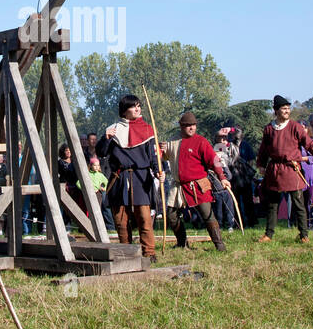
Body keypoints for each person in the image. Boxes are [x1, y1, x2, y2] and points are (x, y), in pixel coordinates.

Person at [96, 95, 161, 259]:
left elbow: (153, 155)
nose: (137, 109)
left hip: (141, 177)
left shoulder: (147, 129)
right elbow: (101, 152)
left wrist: (158, 170)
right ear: (125, 111)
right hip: (120, 177)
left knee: (144, 218)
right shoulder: (114, 129)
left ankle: (149, 253)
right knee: (121, 220)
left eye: (139, 105)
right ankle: (127, 253)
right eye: (133, 106)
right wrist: (106, 138)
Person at [257, 95, 313, 243]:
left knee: (298, 203)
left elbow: (308, 143)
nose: (287, 111)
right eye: (283, 109)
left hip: (292, 169)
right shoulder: (269, 129)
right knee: (273, 204)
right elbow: (263, 149)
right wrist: (261, 165)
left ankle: (303, 235)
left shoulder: (295, 126)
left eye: (288, 109)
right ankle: (268, 235)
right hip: (275, 169)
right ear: (276, 110)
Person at [160, 111, 230, 251]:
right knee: (171, 215)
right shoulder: (173, 141)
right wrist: (163, 150)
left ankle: (219, 245)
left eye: (193, 125)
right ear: (181, 126)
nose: (191, 128)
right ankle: (182, 243)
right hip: (179, 186)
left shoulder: (201, 141)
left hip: (198, 185)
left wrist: (222, 178)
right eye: (188, 125)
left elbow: (215, 161)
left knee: (207, 214)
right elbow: (167, 158)